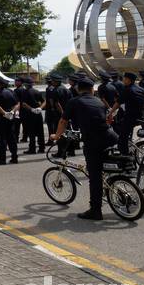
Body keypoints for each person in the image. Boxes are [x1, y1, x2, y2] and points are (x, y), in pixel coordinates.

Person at [50, 78, 117, 221]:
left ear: (77, 89)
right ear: (92, 89)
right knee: (107, 167)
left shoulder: (74, 101)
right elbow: (108, 120)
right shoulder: (98, 101)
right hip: (111, 137)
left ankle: (95, 210)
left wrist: (56, 136)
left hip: (94, 140)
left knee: (95, 176)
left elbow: (63, 121)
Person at [110, 71, 144, 155]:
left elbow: (118, 103)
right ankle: (130, 142)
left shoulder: (127, 90)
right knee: (123, 127)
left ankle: (124, 153)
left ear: (128, 80)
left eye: (124, 78)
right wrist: (141, 111)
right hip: (140, 117)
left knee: (121, 136)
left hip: (130, 117)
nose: (123, 80)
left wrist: (110, 113)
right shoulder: (141, 89)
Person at [0, 77, 21, 165]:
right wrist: (11, 112)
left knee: (2, 139)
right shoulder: (11, 92)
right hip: (10, 118)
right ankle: (14, 157)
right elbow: (17, 103)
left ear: (0, 84)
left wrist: (4, 113)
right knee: (11, 138)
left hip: (1, 118)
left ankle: (2, 159)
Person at [17, 77, 46, 155]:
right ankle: (42, 148)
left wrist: (32, 109)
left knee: (31, 132)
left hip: (29, 114)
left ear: (25, 84)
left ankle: (32, 149)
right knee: (40, 132)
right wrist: (40, 108)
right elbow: (44, 101)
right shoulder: (37, 92)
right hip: (38, 114)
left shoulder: (24, 92)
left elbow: (24, 104)